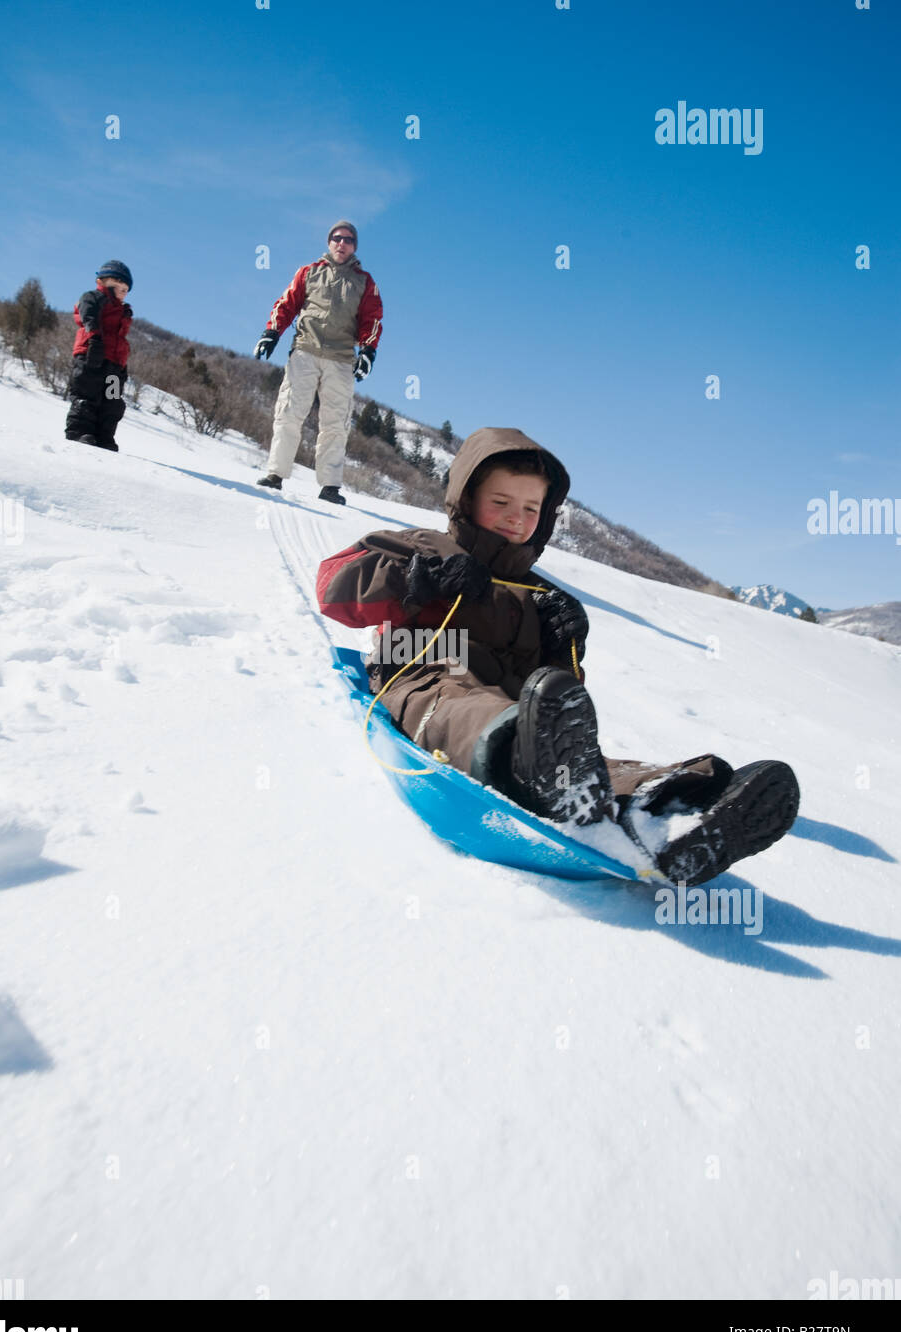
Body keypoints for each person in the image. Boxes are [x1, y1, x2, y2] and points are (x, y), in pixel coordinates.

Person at [316, 426, 799, 886]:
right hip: (422, 674)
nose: (516, 517)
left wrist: (566, 642)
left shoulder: (542, 595)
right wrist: (414, 580)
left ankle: (678, 801)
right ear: (466, 499)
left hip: (516, 709)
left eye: (531, 508)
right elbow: (333, 588)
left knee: (575, 756)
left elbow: (558, 696)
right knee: (462, 702)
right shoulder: (422, 547)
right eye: (500, 502)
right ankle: (524, 764)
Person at [255, 221, 383, 505]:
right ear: (329, 242)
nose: (342, 243)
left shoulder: (364, 281)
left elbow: (371, 319)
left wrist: (367, 351)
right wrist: (272, 332)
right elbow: (287, 303)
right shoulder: (309, 272)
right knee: (289, 412)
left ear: (354, 247)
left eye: (348, 240)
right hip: (305, 350)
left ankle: (329, 486)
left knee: (335, 423)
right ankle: (275, 474)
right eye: (337, 238)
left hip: (340, 359)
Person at [64, 260, 134, 451]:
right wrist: (94, 339)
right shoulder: (94, 297)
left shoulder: (123, 311)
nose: (123, 292)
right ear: (105, 282)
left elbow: (120, 339)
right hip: (92, 357)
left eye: (126, 290)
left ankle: (104, 437)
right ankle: (79, 432)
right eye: (120, 287)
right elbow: (87, 315)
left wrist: (122, 366)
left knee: (112, 402)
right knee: (88, 394)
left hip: (114, 366)